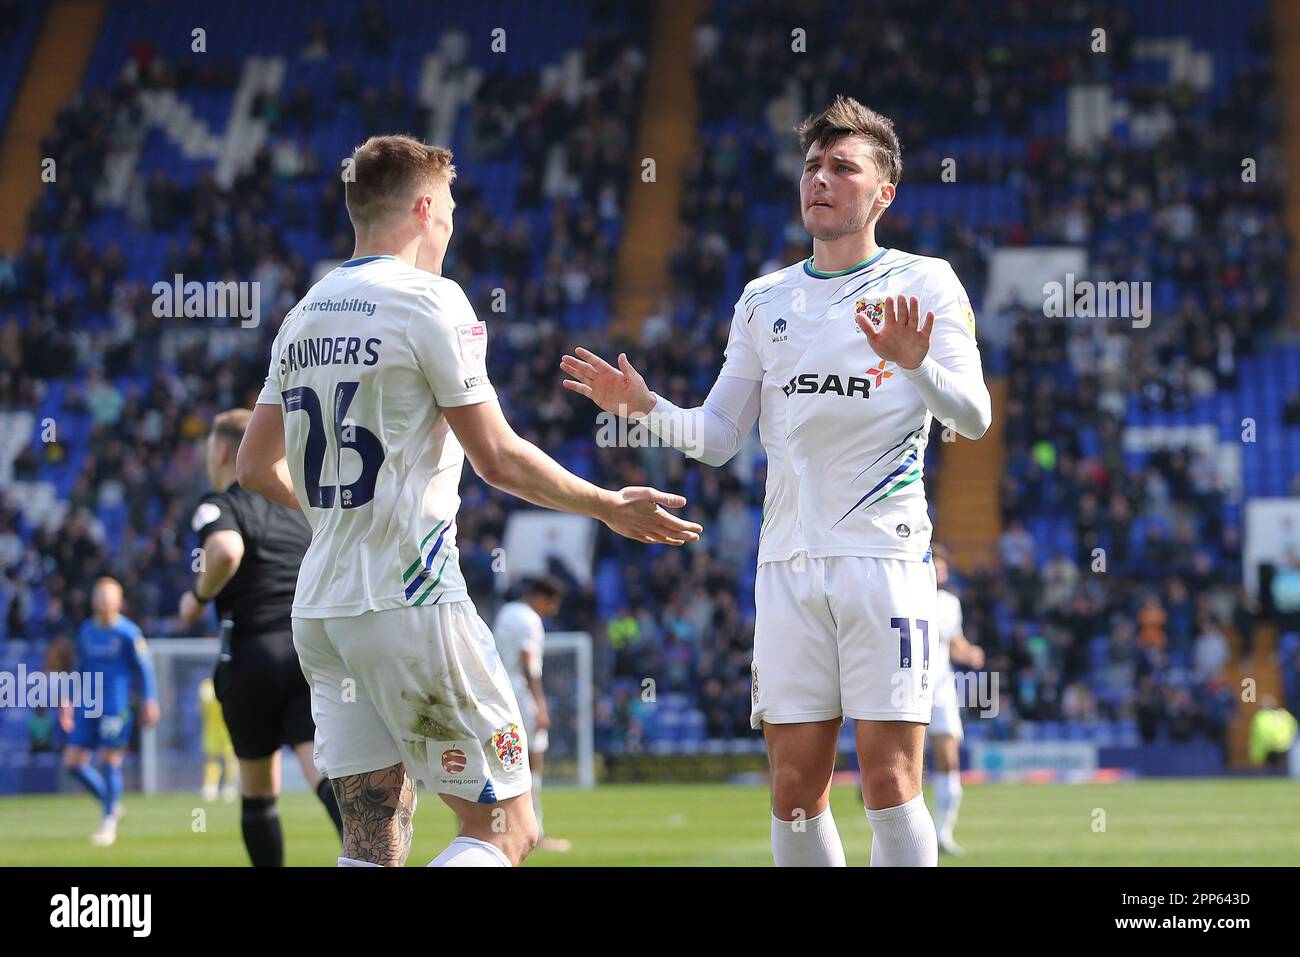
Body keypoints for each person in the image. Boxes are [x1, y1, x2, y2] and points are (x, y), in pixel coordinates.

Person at [236, 134, 701, 868]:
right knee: (506, 828)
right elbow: (498, 457)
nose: (452, 224)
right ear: (424, 208)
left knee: (370, 839)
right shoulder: (429, 299)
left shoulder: (303, 315)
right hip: (410, 602)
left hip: (323, 612)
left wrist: (336, 523)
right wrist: (607, 503)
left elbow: (251, 461)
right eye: (449, 208)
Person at [561, 95, 991, 866]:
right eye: (812, 166)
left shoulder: (926, 283)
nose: (820, 179)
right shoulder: (765, 299)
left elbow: (977, 414)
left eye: (842, 167)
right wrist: (644, 406)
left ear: (883, 192)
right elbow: (721, 438)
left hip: (884, 563)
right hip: (786, 568)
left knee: (890, 782)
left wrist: (917, 360)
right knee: (795, 792)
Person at [177, 408, 344, 865]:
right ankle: (373, 858)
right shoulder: (301, 505)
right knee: (321, 774)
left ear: (225, 450)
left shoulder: (222, 503)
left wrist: (197, 597)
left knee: (258, 789)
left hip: (251, 653)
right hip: (308, 652)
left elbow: (226, 550)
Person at [59, 578, 160, 847]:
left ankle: (107, 824)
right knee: (72, 763)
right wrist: (68, 701)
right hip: (86, 706)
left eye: (108, 596)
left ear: (119, 601)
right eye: (98, 595)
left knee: (108, 761)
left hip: (115, 707)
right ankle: (111, 801)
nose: (102, 600)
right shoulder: (86, 631)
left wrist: (150, 700)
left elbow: (145, 670)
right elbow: (78, 670)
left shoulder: (129, 633)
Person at [493, 575, 570, 852]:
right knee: (533, 759)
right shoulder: (530, 620)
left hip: (498, 693)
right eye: (553, 603)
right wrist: (540, 704)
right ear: (542, 597)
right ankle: (534, 831)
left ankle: (496, 828)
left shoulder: (506, 612)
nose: (553, 610)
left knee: (502, 763)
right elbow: (528, 662)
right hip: (521, 695)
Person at [926, 546, 984, 857]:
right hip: (905, 686)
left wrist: (969, 652)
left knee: (949, 757)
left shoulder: (949, 603)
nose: (939, 573)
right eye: (934, 567)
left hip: (942, 684)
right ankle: (907, 834)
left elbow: (953, 643)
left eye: (942, 569)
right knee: (907, 762)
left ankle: (943, 833)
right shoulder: (905, 595)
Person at [198, 677, 238, 803]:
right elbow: (202, 710)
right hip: (213, 730)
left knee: (230, 759)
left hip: (228, 727)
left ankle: (229, 787)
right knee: (212, 759)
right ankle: (210, 787)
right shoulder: (206, 686)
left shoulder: (231, 681)